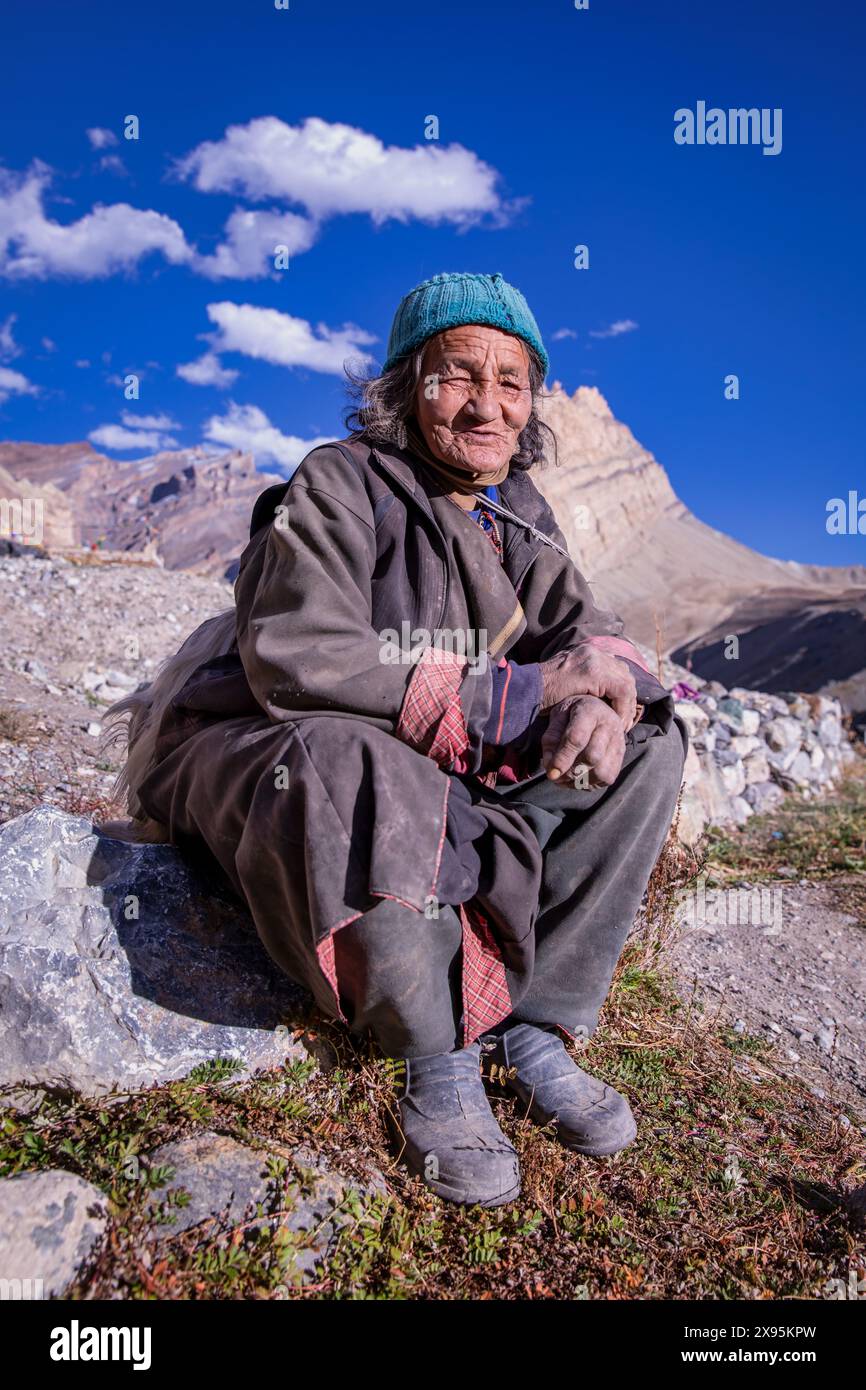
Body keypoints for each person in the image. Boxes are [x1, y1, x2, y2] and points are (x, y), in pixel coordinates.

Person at [115, 272, 687, 1207]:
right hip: (278, 750)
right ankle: (433, 1046)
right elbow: (302, 664)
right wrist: (525, 691)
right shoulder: (339, 482)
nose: (488, 404)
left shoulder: (518, 515)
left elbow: (594, 632)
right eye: (458, 375)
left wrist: (605, 698)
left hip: (430, 761)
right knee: (355, 757)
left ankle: (533, 1025)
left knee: (651, 742)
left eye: (512, 382)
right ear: (404, 387)